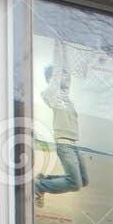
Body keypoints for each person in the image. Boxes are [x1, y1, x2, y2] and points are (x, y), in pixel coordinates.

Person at [35, 67, 89, 203]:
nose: (66, 78)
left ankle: (44, 180)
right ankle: (38, 186)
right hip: (64, 144)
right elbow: (53, 85)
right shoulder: (52, 96)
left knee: (84, 181)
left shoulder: (66, 100)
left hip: (74, 145)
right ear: (53, 78)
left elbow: (67, 80)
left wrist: (66, 70)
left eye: (66, 75)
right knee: (75, 183)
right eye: (62, 75)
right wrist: (58, 68)